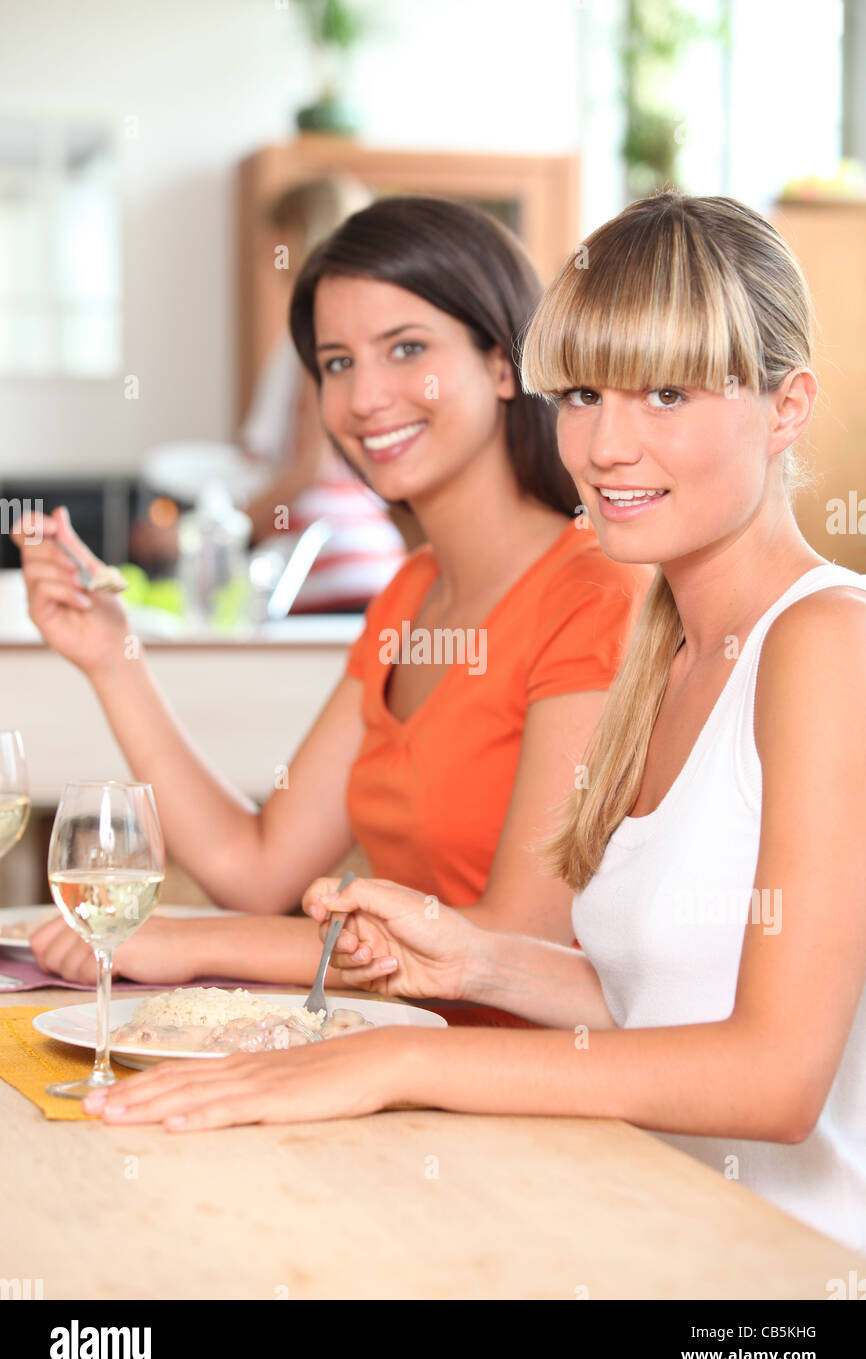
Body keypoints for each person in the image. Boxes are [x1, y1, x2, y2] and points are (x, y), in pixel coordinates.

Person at [83, 190, 866, 1256]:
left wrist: (400, 1058)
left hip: (777, 1266)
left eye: (668, 395)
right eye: (585, 392)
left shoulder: (825, 640)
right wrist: (470, 964)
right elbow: (649, 998)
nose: (607, 444)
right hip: (635, 1217)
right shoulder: (663, 649)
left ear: (786, 409)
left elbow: (775, 1077)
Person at [16, 196, 650, 1003]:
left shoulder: (591, 592)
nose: (364, 398)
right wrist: (112, 657)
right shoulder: (410, 595)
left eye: (406, 349)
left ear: (504, 364)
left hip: (517, 1090)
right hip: (397, 1059)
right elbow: (255, 866)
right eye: (338, 363)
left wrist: (190, 939)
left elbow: (505, 944)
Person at [239, 174, 410, 610]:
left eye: (275, 234)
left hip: (329, 562)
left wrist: (231, 526)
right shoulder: (335, 329)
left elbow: (311, 466)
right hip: (368, 558)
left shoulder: (320, 332)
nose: (265, 250)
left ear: (298, 236)